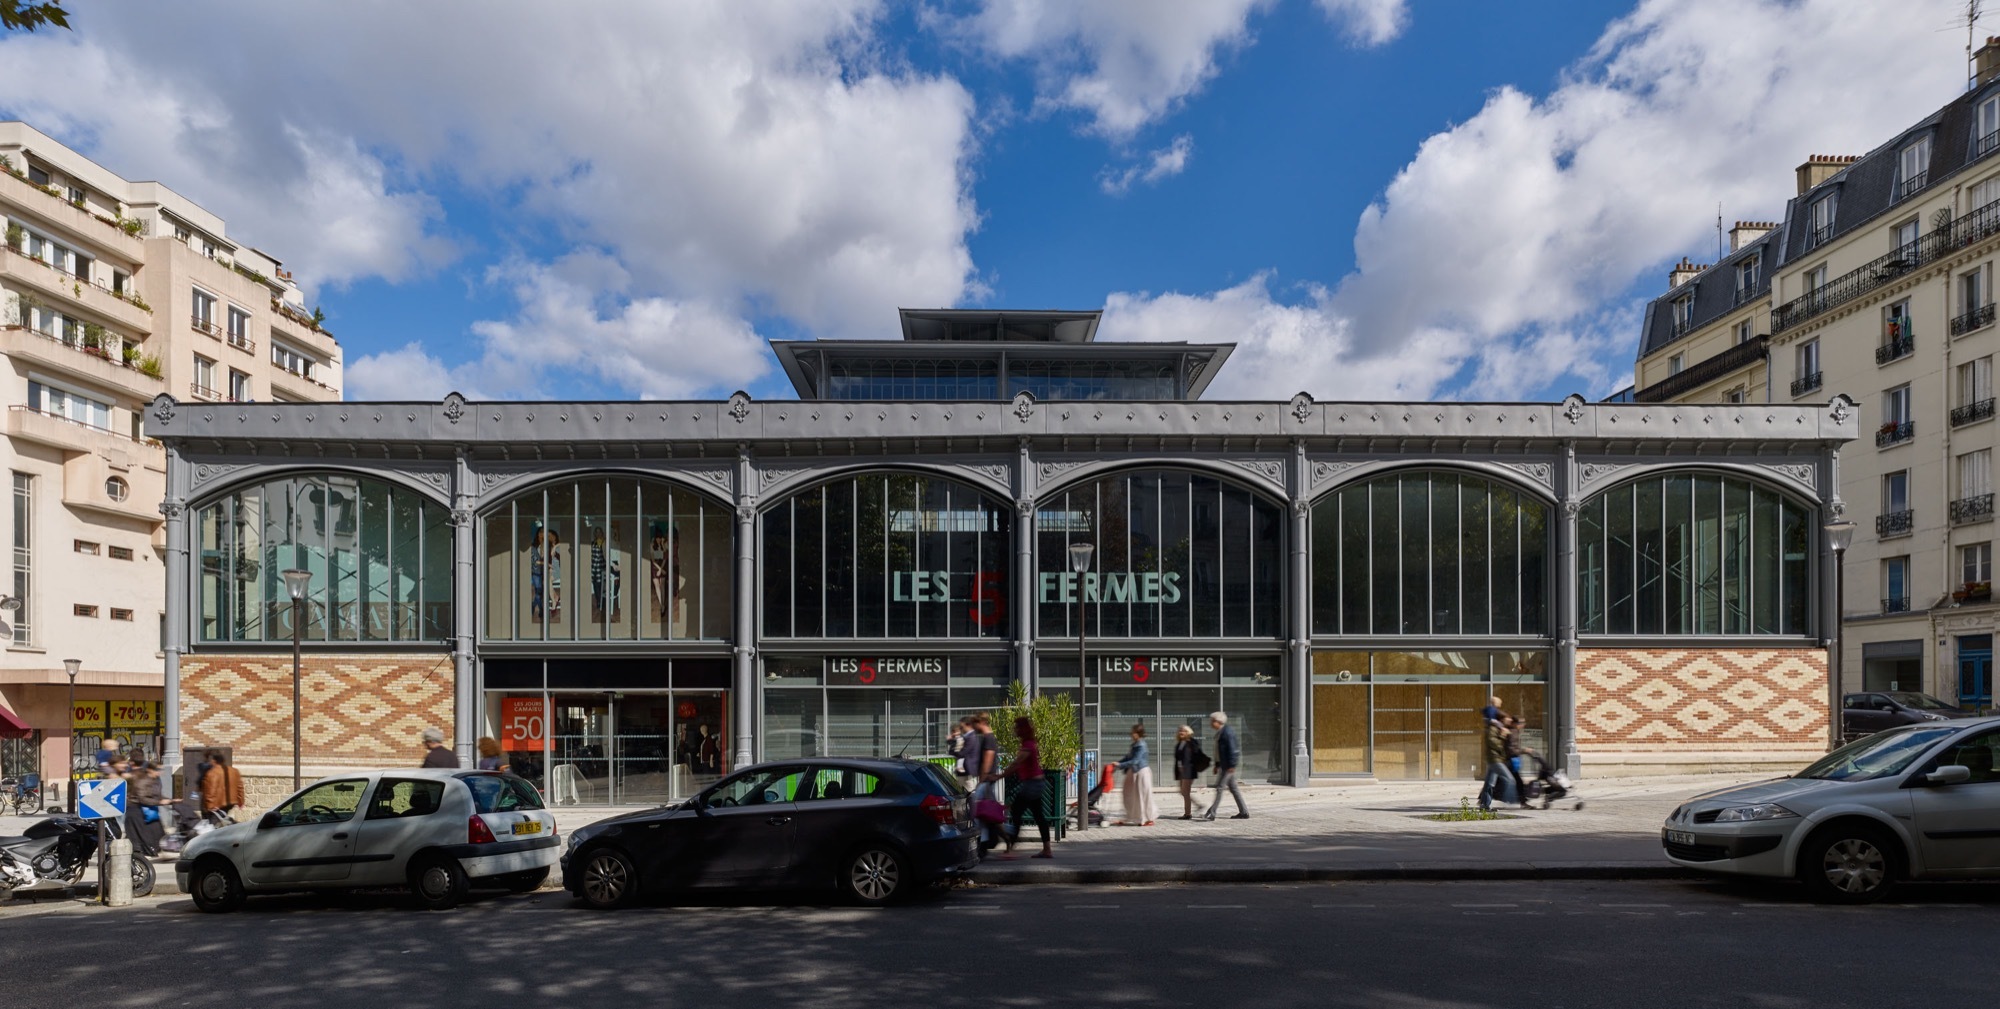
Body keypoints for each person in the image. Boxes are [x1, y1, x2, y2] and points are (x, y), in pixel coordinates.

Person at [992, 716, 1052, 860]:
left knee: (1016, 813)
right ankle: (1047, 849)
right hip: (1033, 783)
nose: (1014, 729)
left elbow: (1016, 763)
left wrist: (999, 776)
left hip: (1032, 784)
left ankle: (1010, 850)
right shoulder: (1027, 743)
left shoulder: (1028, 745)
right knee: (1038, 816)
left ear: (1022, 728)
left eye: (1016, 727)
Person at [1202, 711, 1248, 821]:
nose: (1210, 723)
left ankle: (1212, 812)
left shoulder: (1227, 732)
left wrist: (1232, 765)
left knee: (1219, 788)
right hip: (1225, 765)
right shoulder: (1220, 732)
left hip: (1228, 766)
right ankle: (1244, 812)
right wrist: (1217, 765)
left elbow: (1233, 750)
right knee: (1234, 789)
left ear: (1218, 722)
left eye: (1212, 721)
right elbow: (1219, 751)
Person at [1112, 723, 1155, 826]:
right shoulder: (1135, 745)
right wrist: (1118, 764)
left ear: (1138, 733)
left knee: (1142, 795)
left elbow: (1135, 760)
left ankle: (1147, 818)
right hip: (1134, 772)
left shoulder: (1141, 745)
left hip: (1141, 772)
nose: (1131, 734)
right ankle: (1132, 817)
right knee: (1129, 795)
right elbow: (1128, 758)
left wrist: (1120, 764)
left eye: (1133, 732)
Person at [125, 761, 167, 857]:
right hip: (137, 810)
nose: (160, 772)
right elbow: (142, 798)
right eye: (158, 770)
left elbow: (156, 795)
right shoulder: (143, 780)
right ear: (150, 770)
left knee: (154, 833)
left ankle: (154, 851)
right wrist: (159, 802)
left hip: (147, 810)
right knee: (141, 836)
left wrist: (169, 800)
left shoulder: (155, 780)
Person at [1477, 716, 1515, 812]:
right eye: (1508, 718)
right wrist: (1502, 735)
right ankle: (1509, 802)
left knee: (1489, 784)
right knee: (1510, 780)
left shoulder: (1499, 728)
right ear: (1502, 719)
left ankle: (1485, 805)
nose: (1509, 720)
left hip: (1496, 759)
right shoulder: (1493, 728)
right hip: (1494, 760)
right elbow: (1493, 743)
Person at [1172, 724, 1205, 820]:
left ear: (1188, 732)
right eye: (1180, 731)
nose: (1181, 732)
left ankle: (1188, 813)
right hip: (1182, 771)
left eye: (1183, 731)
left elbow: (1194, 756)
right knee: (1182, 791)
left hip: (1189, 771)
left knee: (1185, 792)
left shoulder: (1191, 742)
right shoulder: (1180, 743)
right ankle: (1198, 806)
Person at [199, 750, 244, 819]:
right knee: (222, 819)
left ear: (213, 761)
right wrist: (241, 802)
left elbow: (211, 791)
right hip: (231, 802)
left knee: (212, 824)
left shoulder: (212, 773)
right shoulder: (235, 771)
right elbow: (240, 787)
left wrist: (210, 806)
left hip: (217, 804)